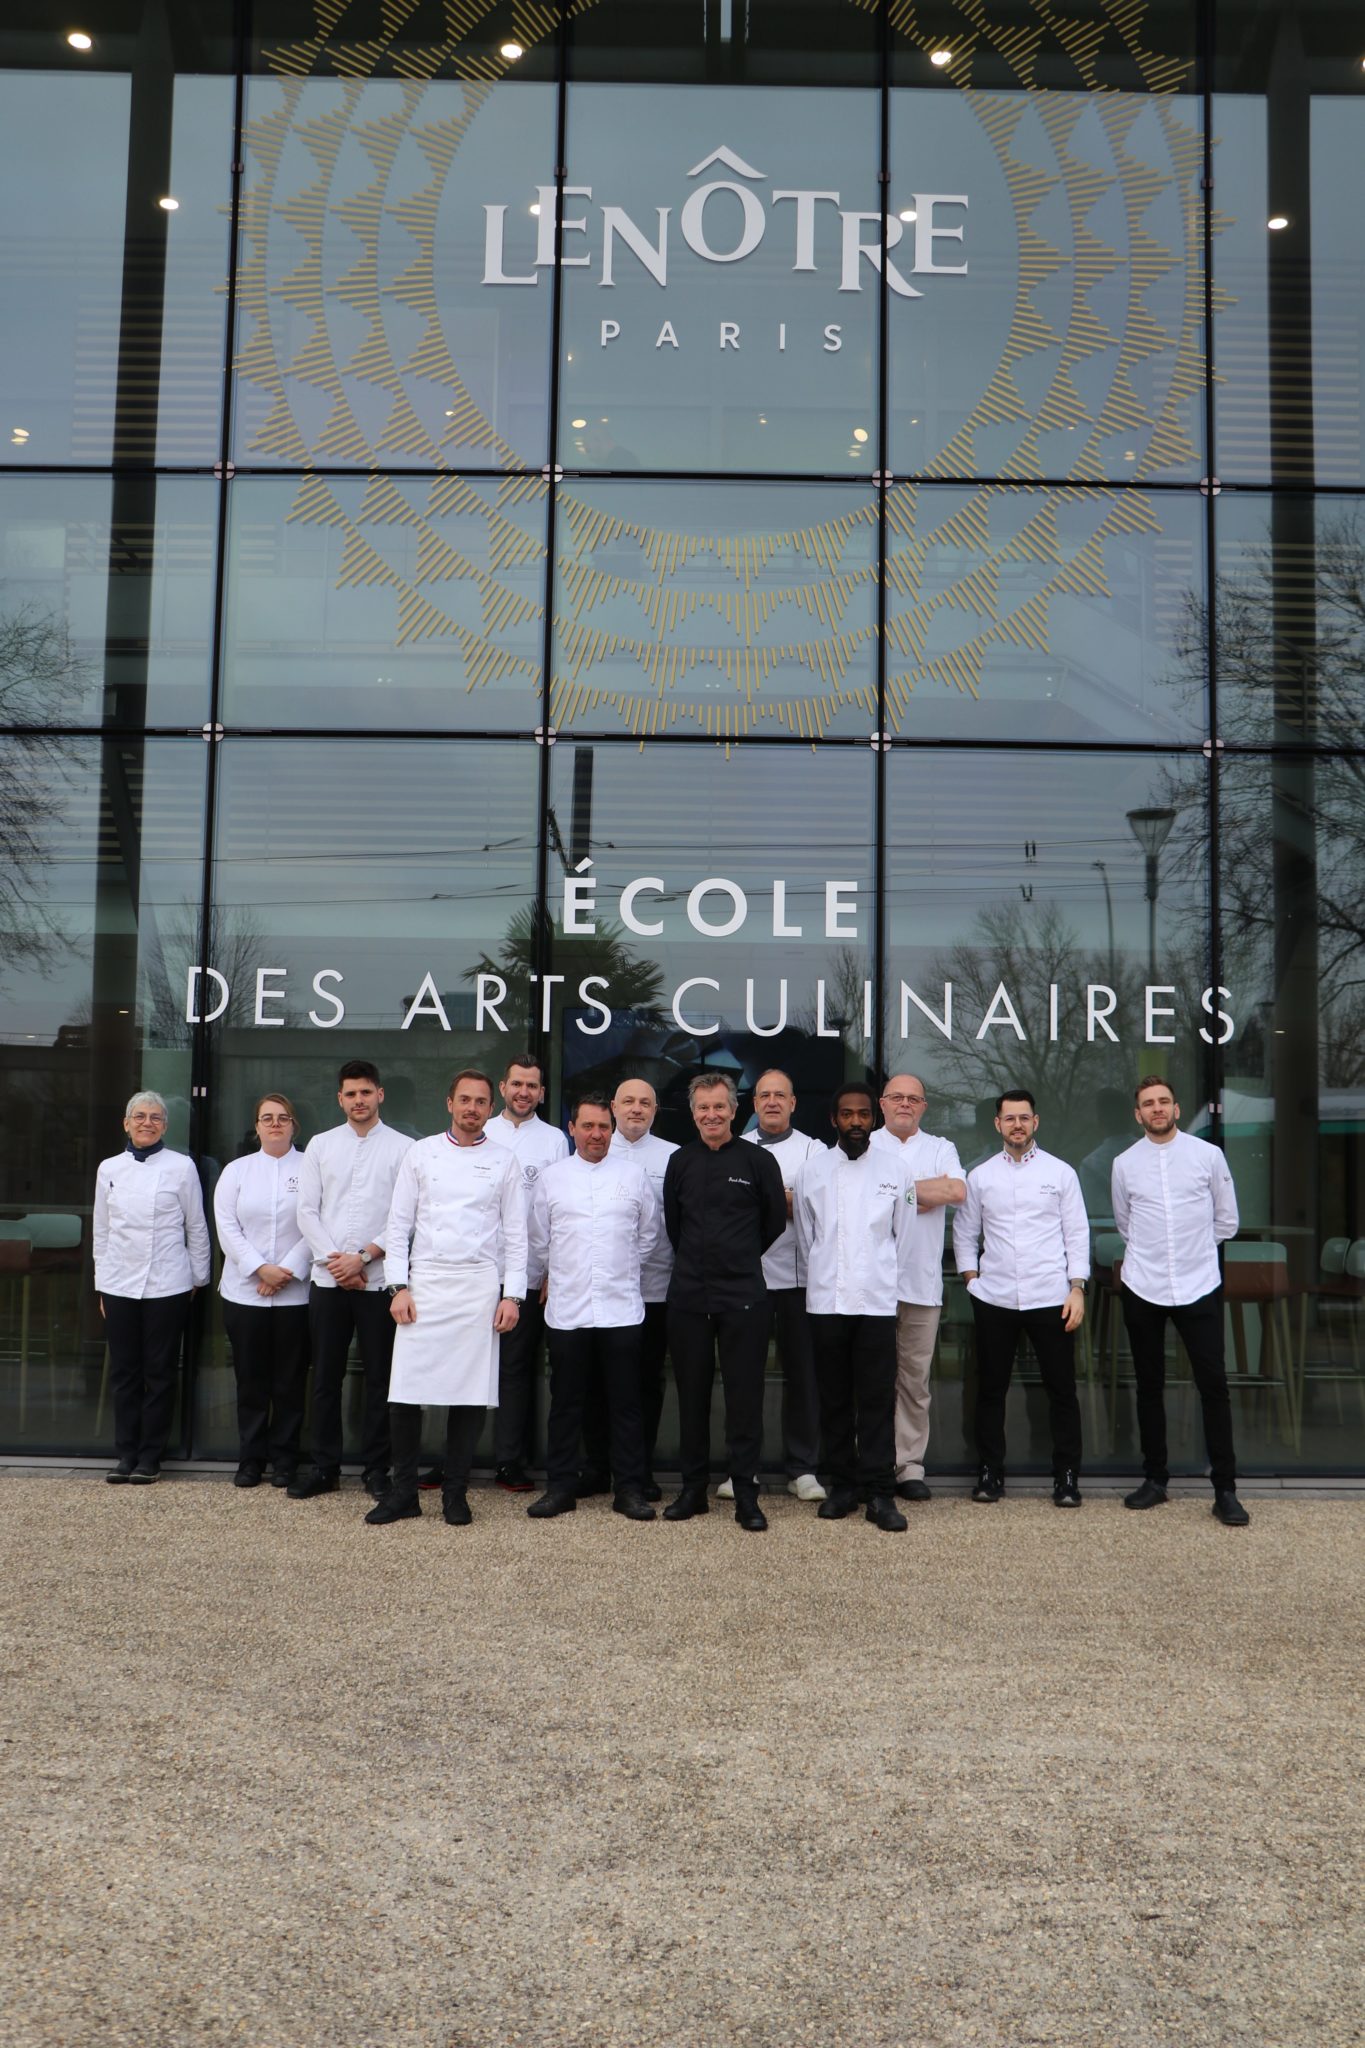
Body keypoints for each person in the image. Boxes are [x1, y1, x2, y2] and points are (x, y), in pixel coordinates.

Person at [369, 1070, 527, 1528]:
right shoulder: (421, 1154)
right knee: (404, 1394)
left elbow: (517, 1236)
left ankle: (455, 1493)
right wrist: (397, 1287)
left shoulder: (504, 1160)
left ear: (489, 1107)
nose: (472, 1109)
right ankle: (403, 1493)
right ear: (449, 1103)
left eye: (480, 1101)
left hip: (478, 1287)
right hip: (426, 1284)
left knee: (468, 1396)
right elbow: (398, 1227)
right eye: (464, 1100)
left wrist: (512, 1295)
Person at [1111, 1074, 1249, 1527]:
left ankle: (1225, 1490)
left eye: (1163, 1102)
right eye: (1148, 1103)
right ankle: (1155, 1480)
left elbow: (1226, 1220)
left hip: (1198, 1285)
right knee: (1149, 1386)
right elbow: (1125, 1223)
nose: (1156, 1109)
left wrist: (1190, 1253)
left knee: (1214, 1386)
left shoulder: (1207, 1156)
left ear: (1175, 1107)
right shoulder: (1125, 1163)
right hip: (1143, 1285)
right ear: (1137, 1114)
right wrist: (1157, 1256)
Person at [524, 1092, 662, 1523]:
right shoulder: (552, 1178)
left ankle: (629, 1489)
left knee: (626, 1404)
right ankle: (561, 1487)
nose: (597, 1134)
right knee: (566, 1403)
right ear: (572, 1129)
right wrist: (563, 1274)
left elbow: (648, 1237)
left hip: (622, 1309)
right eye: (588, 1126)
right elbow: (538, 1241)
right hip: (568, 1310)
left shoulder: (634, 1176)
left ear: (612, 1128)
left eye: (604, 1126)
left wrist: (616, 1271)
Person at [661, 1073, 786, 1532]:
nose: (711, 1115)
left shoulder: (758, 1161)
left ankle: (747, 1498)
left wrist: (737, 1257)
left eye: (719, 1107)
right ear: (693, 1113)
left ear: (735, 1111)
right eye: (703, 1108)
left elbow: (773, 1223)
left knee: (744, 1400)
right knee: (691, 1398)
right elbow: (675, 1227)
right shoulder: (680, 1161)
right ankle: (692, 1490)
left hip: (744, 1299)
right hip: (689, 1297)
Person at [952, 1089, 1088, 1507]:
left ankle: (1066, 1477)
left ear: (1035, 1122)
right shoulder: (981, 1176)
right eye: (1009, 1118)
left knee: (1059, 1390)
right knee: (990, 1391)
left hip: (1051, 1296)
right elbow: (964, 1232)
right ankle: (990, 1473)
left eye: (1023, 1118)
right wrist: (972, 1280)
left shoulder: (1061, 1173)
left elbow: (1077, 1233)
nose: (1017, 1125)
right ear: (997, 1124)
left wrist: (1078, 1287)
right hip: (994, 1299)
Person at [793, 1082, 915, 1533]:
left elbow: (903, 1238)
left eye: (863, 1114)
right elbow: (808, 1240)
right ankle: (842, 1486)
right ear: (834, 1120)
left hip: (878, 1302)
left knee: (878, 1400)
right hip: (826, 1300)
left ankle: (881, 1493)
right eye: (847, 1114)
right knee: (835, 1399)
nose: (856, 1122)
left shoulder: (896, 1171)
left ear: (874, 1118)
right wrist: (827, 1275)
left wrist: (879, 1280)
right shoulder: (813, 1171)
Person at [289, 1060, 412, 1501]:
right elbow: (307, 1211)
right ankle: (325, 1467)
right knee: (325, 1377)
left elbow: (405, 1217)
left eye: (366, 1092)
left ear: (380, 1094)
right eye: (351, 1094)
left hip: (379, 1283)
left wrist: (362, 1259)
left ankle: (377, 1470)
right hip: (329, 1282)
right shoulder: (321, 1146)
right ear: (340, 1099)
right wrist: (337, 1263)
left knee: (380, 1380)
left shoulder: (403, 1148)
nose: (359, 1100)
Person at [93, 1090, 210, 1484]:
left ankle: (151, 1456)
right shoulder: (108, 1168)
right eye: (139, 1116)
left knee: (159, 1371)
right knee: (125, 1372)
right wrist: (102, 1285)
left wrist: (196, 1279)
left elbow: (196, 1226)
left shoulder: (182, 1167)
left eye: (156, 1117)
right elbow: (102, 1231)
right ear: (126, 1123)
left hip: (168, 1282)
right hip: (119, 1283)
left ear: (165, 1125)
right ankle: (125, 1454)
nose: (147, 1122)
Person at [870, 1073, 966, 1503]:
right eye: (897, 1097)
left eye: (914, 1098)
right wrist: (920, 1197)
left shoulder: (940, 1148)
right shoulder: (865, 1145)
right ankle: (870, 1462)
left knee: (913, 1380)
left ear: (923, 1107)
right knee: (871, 1378)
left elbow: (955, 1190)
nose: (905, 1104)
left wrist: (890, 1194)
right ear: (882, 1103)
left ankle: (909, 1466)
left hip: (921, 1284)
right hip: (869, 1284)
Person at [212, 1094, 311, 1488]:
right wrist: (259, 1269)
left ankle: (285, 1460)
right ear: (256, 1126)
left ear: (294, 1125)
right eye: (266, 1118)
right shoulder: (236, 1171)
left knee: (289, 1381)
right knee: (250, 1380)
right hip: (243, 1293)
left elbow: (316, 1221)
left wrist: (286, 1270)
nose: (275, 1124)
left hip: (295, 1294)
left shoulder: (310, 1169)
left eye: (283, 1117)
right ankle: (251, 1459)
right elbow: (226, 1225)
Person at [482, 1052, 569, 1491]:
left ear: (542, 1092)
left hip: (528, 1274)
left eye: (532, 1086)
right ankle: (458, 1456)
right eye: (517, 1084)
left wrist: (552, 1269)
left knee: (516, 1369)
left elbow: (556, 1210)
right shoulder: (481, 1130)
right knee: (467, 1364)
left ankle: (508, 1460)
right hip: (476, 1271)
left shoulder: (554, 1140)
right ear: (503, 1087)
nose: (524, 1092)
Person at [738, 1068, 825, 1503]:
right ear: (754, 1104)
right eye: (764, 1095)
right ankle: (744, 1470)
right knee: (745, 1378)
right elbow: (730, 1207)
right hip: (748, 1282)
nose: (772, 1102)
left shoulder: (814, 1149)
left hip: (801, 1281)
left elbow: (818, 1207)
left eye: (781, 1095)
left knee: (803, 1378)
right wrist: (784, 1197)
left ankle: (802, 1469)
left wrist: (764, 1198)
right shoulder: (737, 1148)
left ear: (793, 1103)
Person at [588, 1074, 676, 1498]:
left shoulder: (673, 1156)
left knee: (645, 1382)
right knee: (597, 1382)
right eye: (628, 1101)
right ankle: (596, 1468)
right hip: (599, 1291)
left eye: (645, 1102)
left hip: (655, 1289)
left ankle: (638, 1470)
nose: (636, 1108)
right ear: (613, 1108)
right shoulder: (593, 1151)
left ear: (655, 1111)